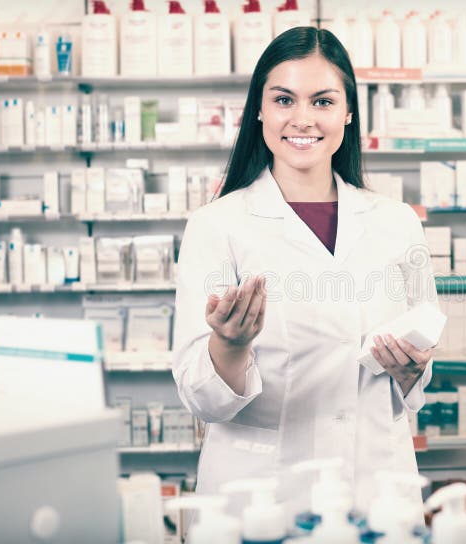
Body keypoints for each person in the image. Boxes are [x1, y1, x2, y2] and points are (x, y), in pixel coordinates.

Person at [171, 26, 438, 517]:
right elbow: (199, 396)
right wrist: (230, 345)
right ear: (259, 110)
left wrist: (411, 370)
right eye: (283, 99)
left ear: (348, 112)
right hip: (263, 498)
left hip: (375, 489)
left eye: (322, 102)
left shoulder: (396, 222)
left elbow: (420, 372)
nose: (302, 119)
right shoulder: (217, 226)